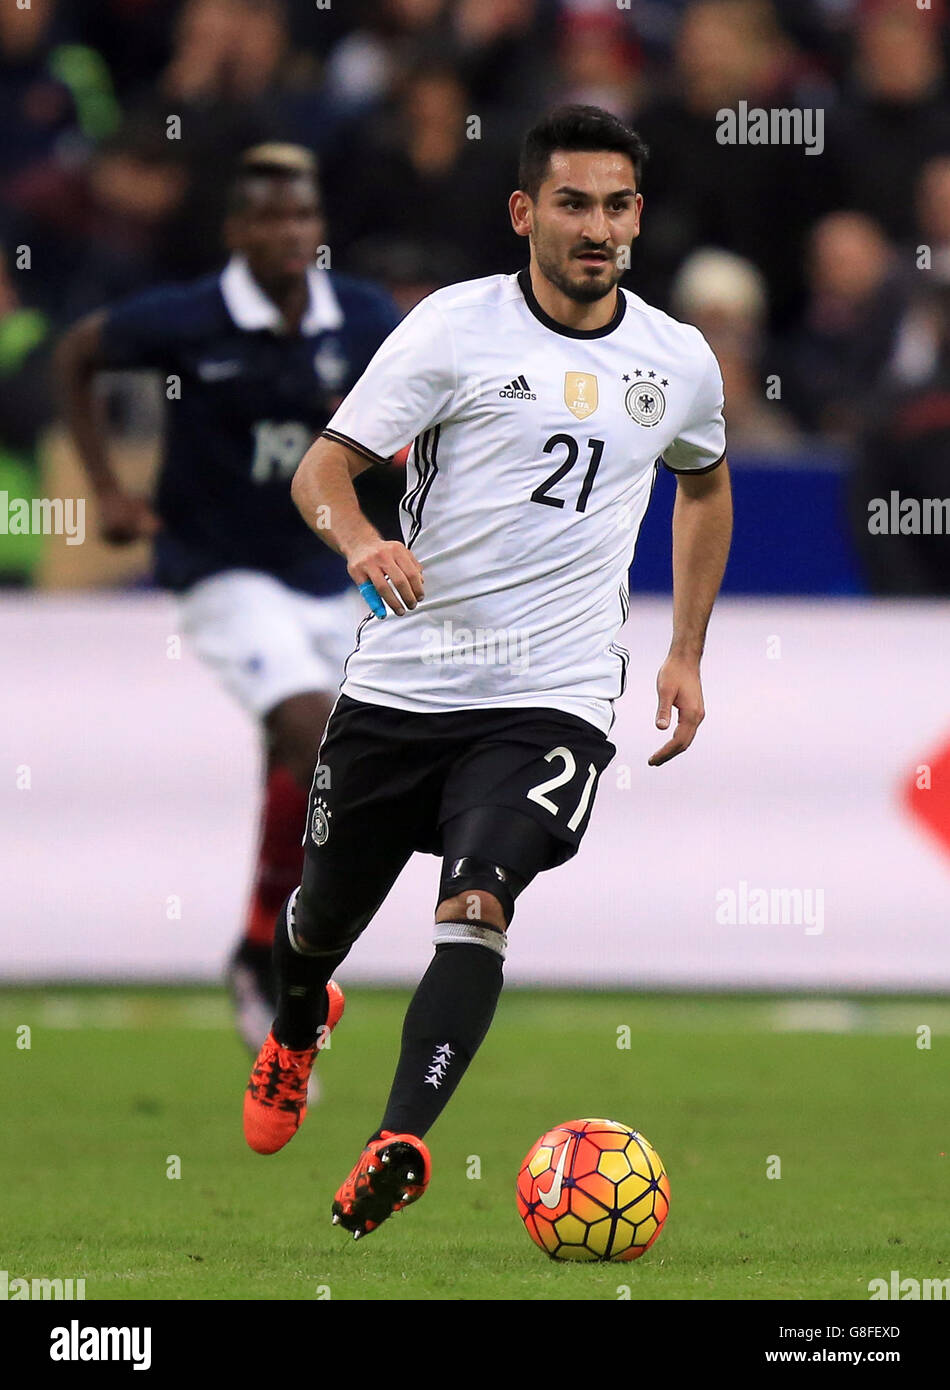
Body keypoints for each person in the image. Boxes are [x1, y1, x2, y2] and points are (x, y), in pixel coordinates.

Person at [242, 105, 732, 1241]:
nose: (594, 227)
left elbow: (702, 484)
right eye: (570, 203)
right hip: (406, 684)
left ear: (637, 219)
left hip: (551, 696)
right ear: (523, 212)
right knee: (316, 921)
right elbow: (321, 472)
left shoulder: (675, 359)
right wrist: (360, 542)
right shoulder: (449, 333)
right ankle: (301, 1020)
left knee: (476, 903)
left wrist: (684, 652)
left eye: (614, 206)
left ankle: (398, 1135)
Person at [54, 143, 403, 1052]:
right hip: (221, 570)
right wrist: (108, 490)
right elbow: (78, 355)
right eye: (271, 218)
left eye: (304, 218)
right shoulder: (190, 319)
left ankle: (258, 951)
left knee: (310, 763)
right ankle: (292, 958)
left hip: (336, 573)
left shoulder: (361, 316)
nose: (291, 234)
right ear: (237, 232)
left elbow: (419, 414)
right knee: (315, 732)